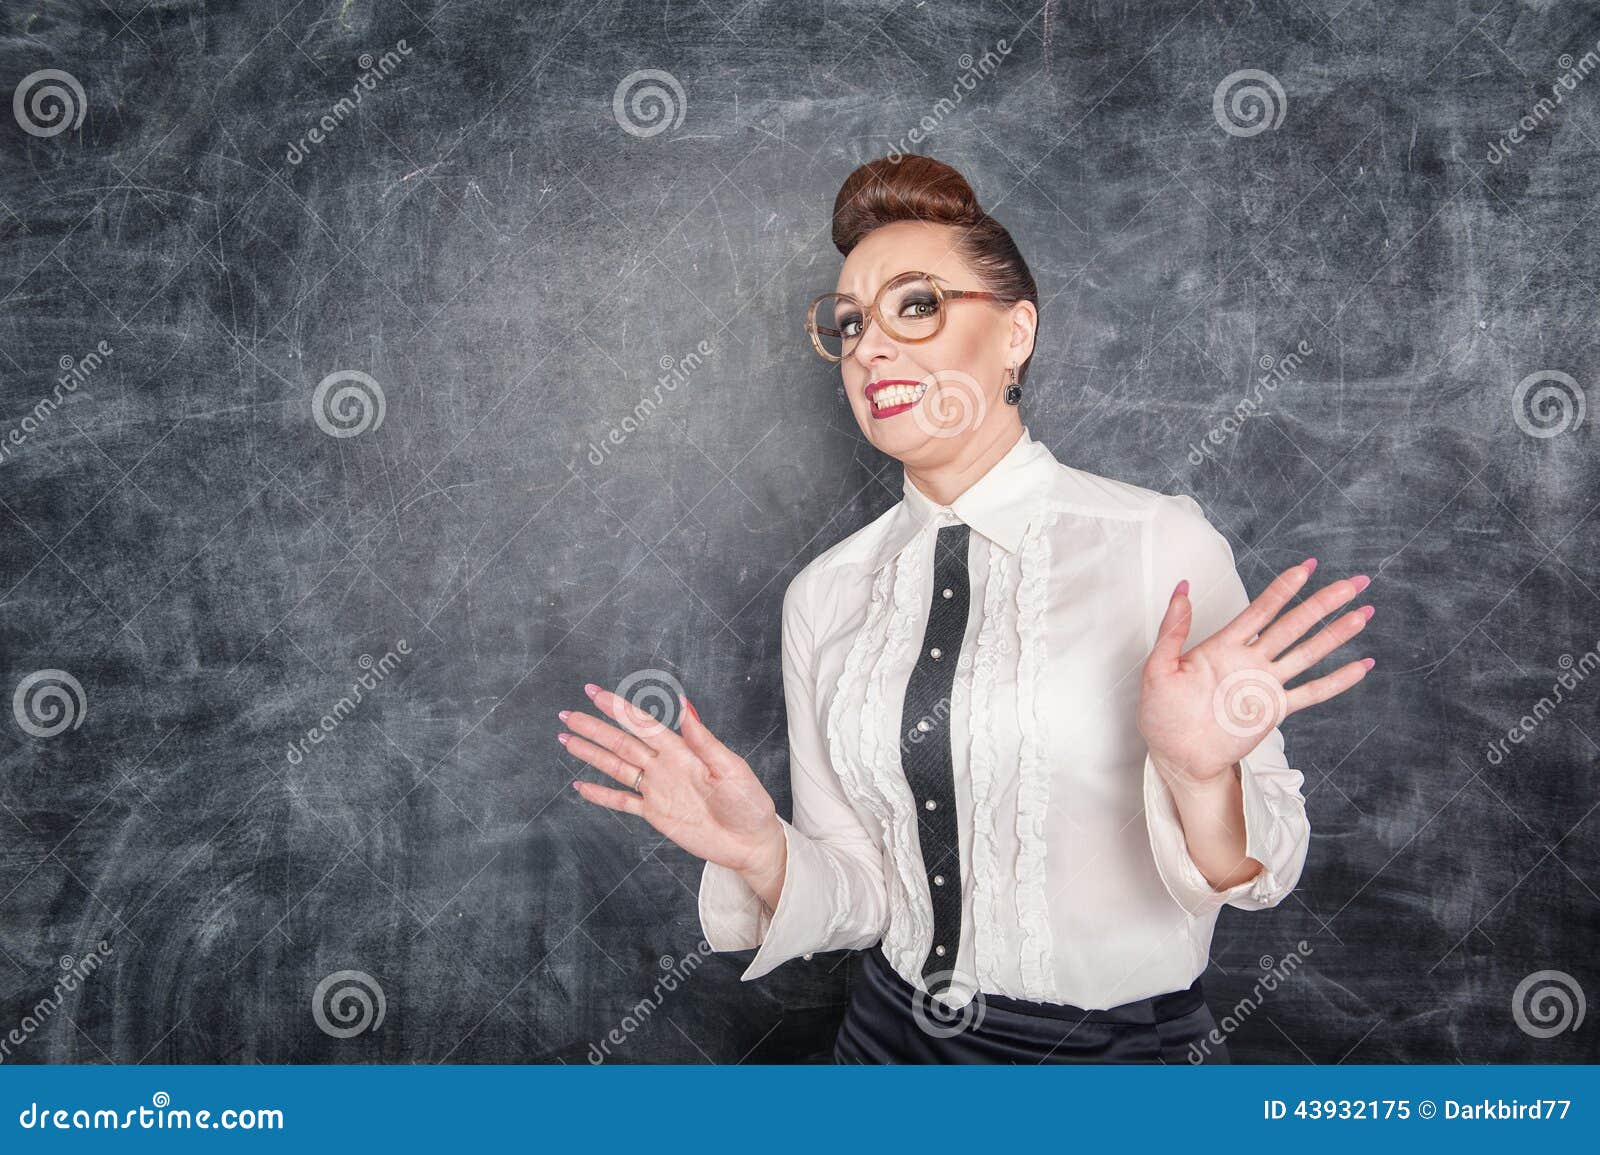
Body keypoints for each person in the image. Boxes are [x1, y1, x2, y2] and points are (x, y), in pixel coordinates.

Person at [562, 154, 1373, 1063]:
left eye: (918, 306)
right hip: (882, 1048)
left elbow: (1263, 868)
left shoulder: (1158, 543)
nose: (871, 347)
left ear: (1016, 330)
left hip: (1115, 1063)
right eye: (850, 323)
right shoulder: (823, 594)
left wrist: (1199, 775)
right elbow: (867, 888)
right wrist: (761, 851)